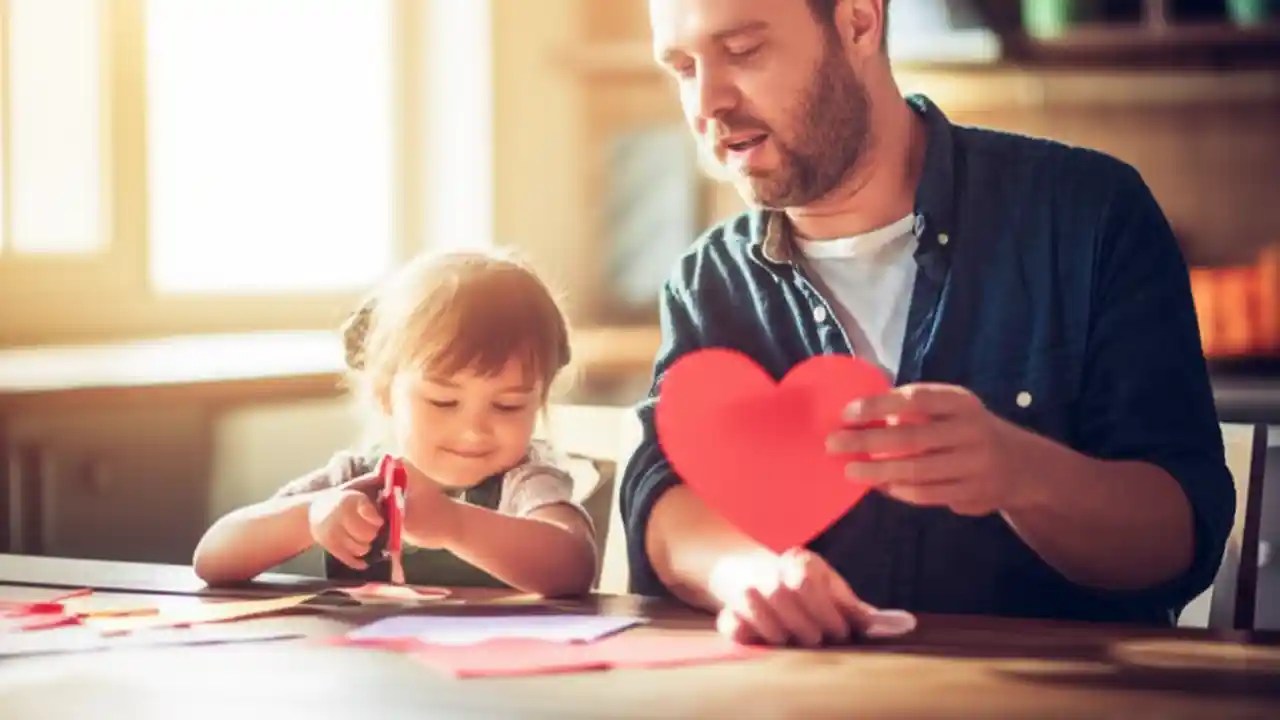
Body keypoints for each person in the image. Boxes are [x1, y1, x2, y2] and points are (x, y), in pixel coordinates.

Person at [620, 0, 1234, 646]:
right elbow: (661, 494)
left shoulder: (1090, 214)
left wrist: (1022, 474)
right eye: (683, 67)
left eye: (742, 51)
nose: (706, 103)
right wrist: (746, 573)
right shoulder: (707, 280)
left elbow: (1181, 536)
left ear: (859, 20)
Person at [193, 250, 598, 597]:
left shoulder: (526, 481)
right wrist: (313, 514)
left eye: (508, 406)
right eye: (444, 401)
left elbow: (574, 565)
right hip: (373, 673)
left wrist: (454, 524)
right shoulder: (357, 478)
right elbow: (213, 558)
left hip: (498, 675)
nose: (474, 429)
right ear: (385, 393)